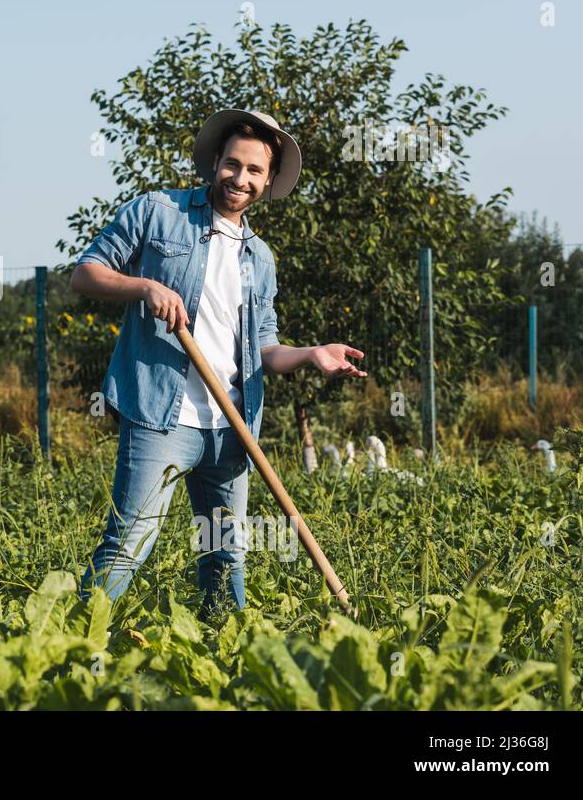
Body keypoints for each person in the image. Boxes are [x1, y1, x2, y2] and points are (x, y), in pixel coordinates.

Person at [72, 109, 366, 618]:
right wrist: (145, 286)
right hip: (162, 418)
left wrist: (313, 354)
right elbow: (85, 274)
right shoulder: (157, 211)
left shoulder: (261, 258)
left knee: (226, 556)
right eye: (233, 165)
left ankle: (224, 659)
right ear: (215, 163)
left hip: (232, 428)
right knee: (129, 544)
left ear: (268, 180)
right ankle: (73, 645)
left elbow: (265, 351)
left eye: (254, 171)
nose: (240, 179)